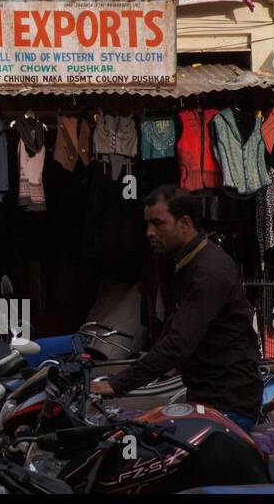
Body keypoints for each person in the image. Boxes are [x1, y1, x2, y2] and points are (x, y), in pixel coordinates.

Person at [91, 185, 263, 431]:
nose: (149, 232)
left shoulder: (209, 273)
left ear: (184, 224)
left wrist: (117, 384)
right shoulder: (184, 262)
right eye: (148, 224)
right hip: (204, 394)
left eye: (158, 224)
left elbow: (178, 341)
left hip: (228, 403)